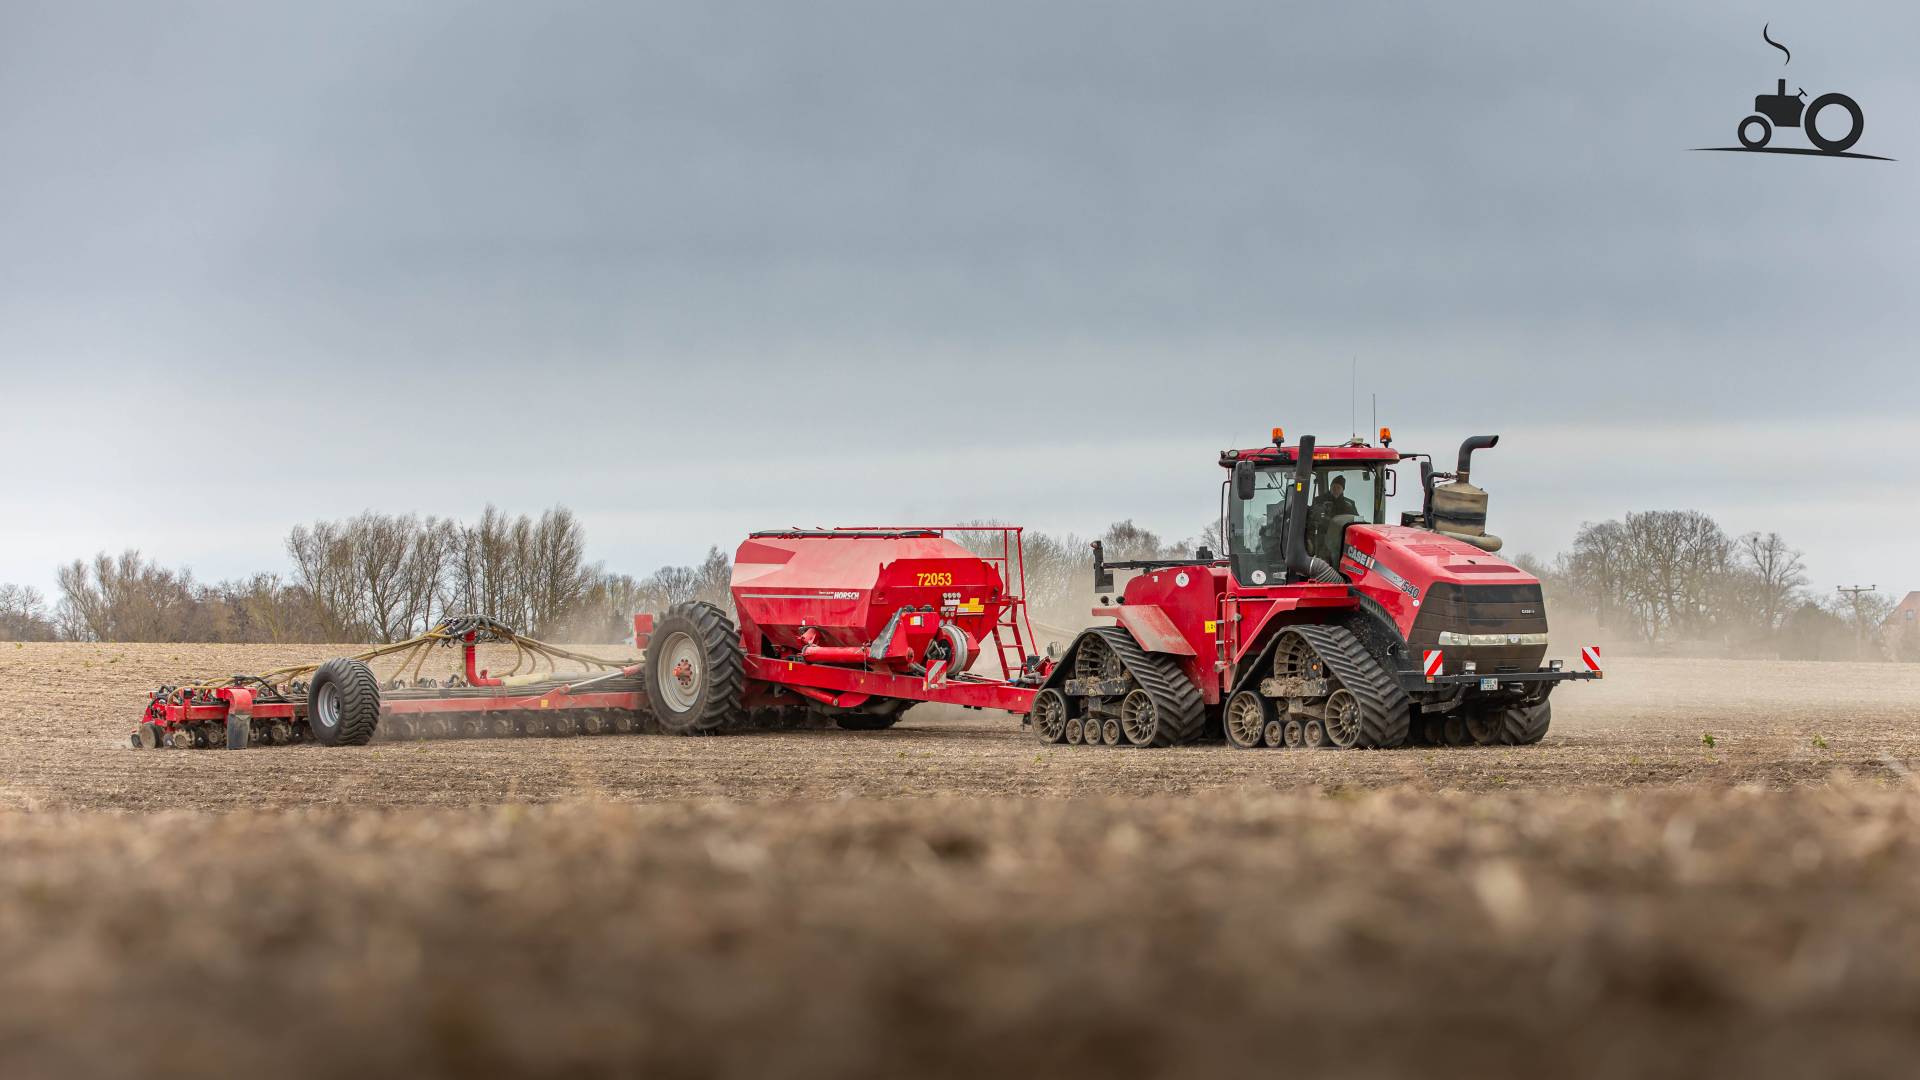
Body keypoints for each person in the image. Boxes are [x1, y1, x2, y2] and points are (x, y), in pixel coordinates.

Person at [1308, 475, 1359, 561]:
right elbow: (1312, 519)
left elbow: (1355, 520)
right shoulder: (1319, 501)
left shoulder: (1349, 504)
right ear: (1330, 487)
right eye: (1333, 486)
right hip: (1322, 537)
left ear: (1343, 489)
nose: (1335, 489)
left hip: (1341, 538)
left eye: (1338, 487)